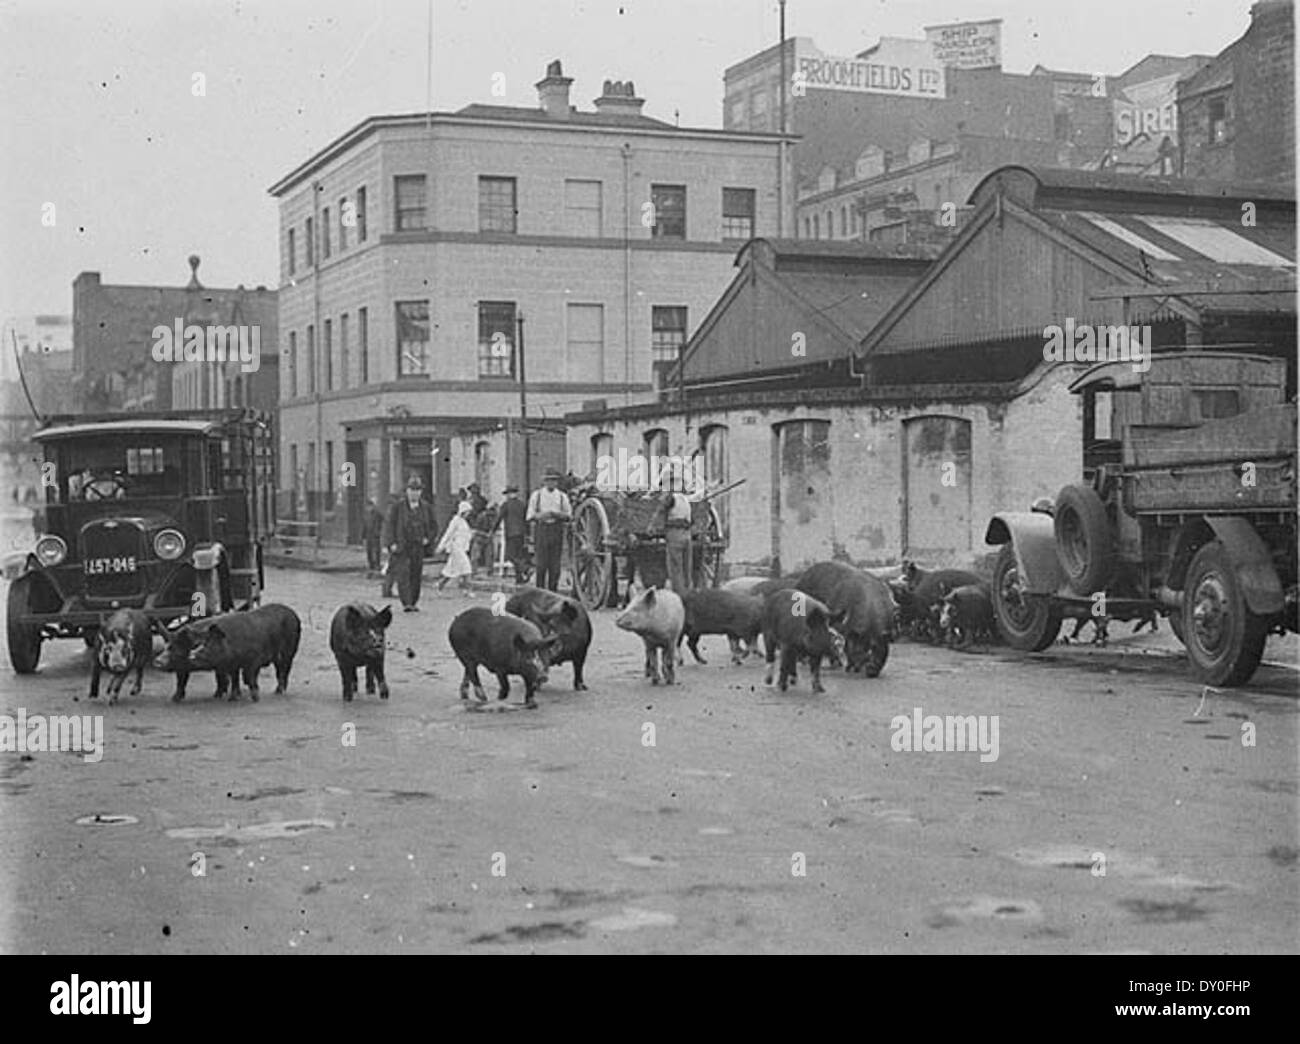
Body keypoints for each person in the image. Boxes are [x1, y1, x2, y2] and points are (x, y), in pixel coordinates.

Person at [382, 476, 437, 612]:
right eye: (412, 490)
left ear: (421, 492)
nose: (414, 493)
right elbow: (389, 525)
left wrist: (428, 538)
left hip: (417, 547)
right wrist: (391, 543)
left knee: (416, 574)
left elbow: (433, 526)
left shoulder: (426, 508)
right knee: (403, 575)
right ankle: (406, 602)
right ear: (407, 491)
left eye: (417, 490)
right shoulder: (398, 507)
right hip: (402, 547)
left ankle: (413, 601)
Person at [527, 468, 571, 592]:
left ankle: (553, 591)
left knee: (555, 566)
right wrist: (541, 515)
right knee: (541, 565)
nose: (551, 483)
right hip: (542, 529)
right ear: (544, 481)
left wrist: (557, 515)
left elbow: (568, 515)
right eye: (549, 480)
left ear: (557, 482)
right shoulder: (537, 495)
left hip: (556, 529)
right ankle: (540, 591)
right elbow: (530, 515)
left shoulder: (562, 496)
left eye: (554, 480)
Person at [436, 501, 475, 593]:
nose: (468, 514)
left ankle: (440, 584)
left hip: (462, 548)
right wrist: (441, 546)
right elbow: (448, 533)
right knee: (466, 567)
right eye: (467, 512)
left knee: (451, 569)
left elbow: (465, 534)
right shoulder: (455, 521)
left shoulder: (464, 522)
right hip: (456, 548)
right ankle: (468, 590)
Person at [493, 485, 528, 582]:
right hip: (521, 533)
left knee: (510, 556)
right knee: (518, 556)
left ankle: (525, 568)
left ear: (508, 494)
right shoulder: (522, 504)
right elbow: (526, 519)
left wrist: (492, 530)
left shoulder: (506, 505)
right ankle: (519, 578)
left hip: (511, 533)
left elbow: (499, 518)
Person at [664, 480, 694, 594]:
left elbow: (661, 511)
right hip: (687, 535)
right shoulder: (686, 500)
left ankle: (679, 594)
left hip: (675, 535)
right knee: (687, 568)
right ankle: (688, 591)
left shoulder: (671, 499)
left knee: (675, 567)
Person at [362, 496, 385, 576]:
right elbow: (365, 525)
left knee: (376, 550)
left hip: (375, 535)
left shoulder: (377, 513)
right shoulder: (366, 514)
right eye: (367, 507)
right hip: (368, 534)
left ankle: (377, 564)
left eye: (370, 506)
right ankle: (371, 564)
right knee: (369, 550)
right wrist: (363, 535)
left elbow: (382, 519)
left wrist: (378, 530)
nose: (368, 508)